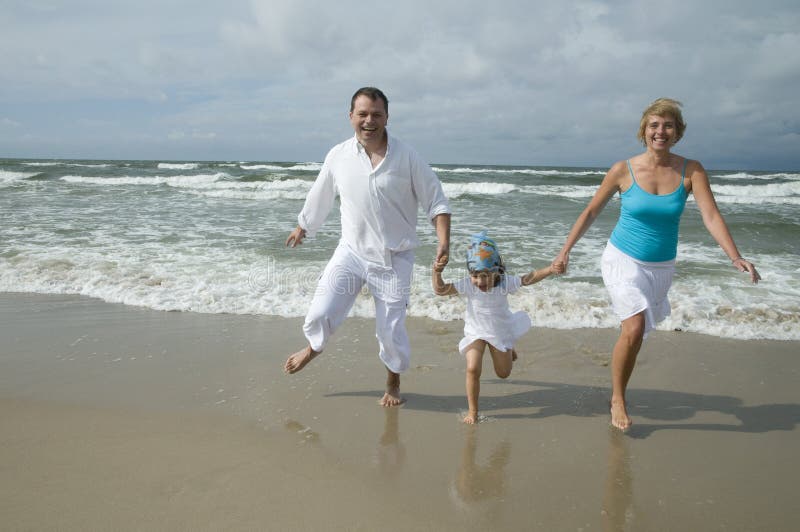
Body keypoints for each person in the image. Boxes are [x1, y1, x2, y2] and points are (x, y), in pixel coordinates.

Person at [552, 98, 761, 431]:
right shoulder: (623, 169)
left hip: (661, 267)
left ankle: (618, 390)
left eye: (668, 125)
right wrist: (565, 251)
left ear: (677, 132)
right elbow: (591, 211)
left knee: (634, 336)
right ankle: (618, 399)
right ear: (643, 130)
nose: (660, 131)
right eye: (654, 125)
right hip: (621, 259)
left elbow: (710, 215)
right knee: (633, 328)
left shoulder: (691, 170)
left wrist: (734, 256)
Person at [284, 87, 451, 407]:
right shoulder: (338, 155)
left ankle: (393, 380)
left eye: (376, 114)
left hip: (394, 257)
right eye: (362, 114)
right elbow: (321, 193)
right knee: (320, 311)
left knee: (390, 331)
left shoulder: (408, 157)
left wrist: (443, 241)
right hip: (351, 252)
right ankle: (313, 348)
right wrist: (304, 225)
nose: (369, 121)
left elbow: (437, 201)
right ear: (350, 117)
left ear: (387, 117)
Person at [432, 231, 561, 424]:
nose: (480, 281)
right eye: (475, 276)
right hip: (476, 332)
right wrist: (437, 271)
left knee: (503, 373)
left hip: (498, 331)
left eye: (485, 276)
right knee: (472, 369)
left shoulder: (505, 282)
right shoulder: (468, 285)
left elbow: (528, 278)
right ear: (469, 274)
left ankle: (509, 348)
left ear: (497, 272)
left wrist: (550, 269)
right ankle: (473, 412)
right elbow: (440, 290)